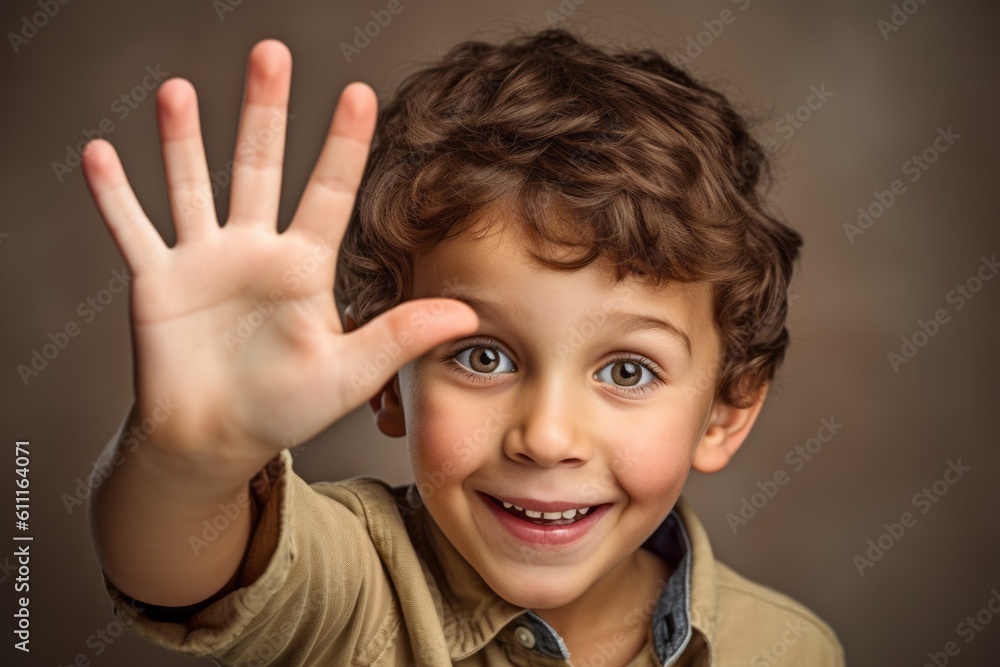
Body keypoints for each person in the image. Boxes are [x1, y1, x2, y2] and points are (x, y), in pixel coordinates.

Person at [82, 26, 845, 666]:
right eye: (484, 357)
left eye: (626, 369)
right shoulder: (357, 590)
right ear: (387, 376)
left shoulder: (790, 649)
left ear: (724, 411)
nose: (547, 437)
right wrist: (191, 460)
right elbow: (175, 563)